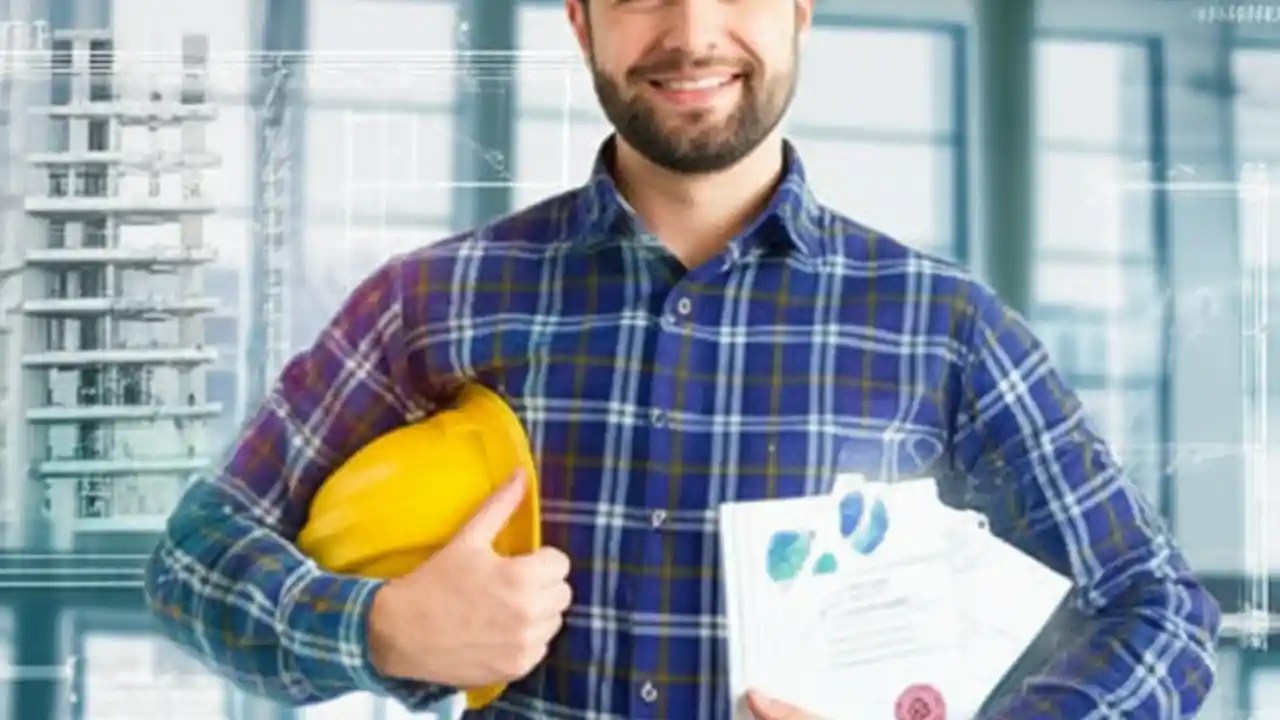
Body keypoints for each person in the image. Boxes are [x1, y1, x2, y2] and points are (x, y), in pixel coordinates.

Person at [144, 0, 1221, 718]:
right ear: (580, 21)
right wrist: (379, 629)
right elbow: (195, 556)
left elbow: (1156, 608)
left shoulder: (943, 324)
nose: (691, 32)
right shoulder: (433, 299)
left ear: (799, 11)